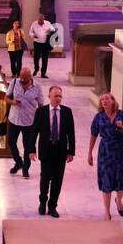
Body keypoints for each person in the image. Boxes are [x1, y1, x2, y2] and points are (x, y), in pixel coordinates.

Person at [87, 92, 123, 219]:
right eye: (102, 99)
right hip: (105, 151)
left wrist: (122, 126)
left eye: (107, 99)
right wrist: (89, 153)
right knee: (106, 182)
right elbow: (93, 134)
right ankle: (107, 212)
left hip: (121, 150)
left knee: (122, 180)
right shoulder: (98, 117)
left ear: (113, 101)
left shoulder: (122, 114)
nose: (104, 101)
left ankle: (119, 201)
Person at [30, 85, 74, 217]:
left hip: (60, 152)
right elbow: (34, 132)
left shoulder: (67, 112)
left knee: (58, 181)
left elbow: (71, 133)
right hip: (46, 150)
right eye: (56, 96)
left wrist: (71, 151)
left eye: (60, 96)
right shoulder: (41, 112)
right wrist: (31, 150)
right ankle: (42, 203)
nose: (58, 98)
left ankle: (52, 206)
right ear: (49, 96)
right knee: (45, 180)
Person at [4, 67, 41, 177]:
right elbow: (6, 98)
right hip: (14, 119)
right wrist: (14, 102)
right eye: (21, 78)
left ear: (30, 77)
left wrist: (40, 121)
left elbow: (41, 104)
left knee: (28, 146)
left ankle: (26, 168)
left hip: (29, 122)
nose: (22, 80)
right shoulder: (15, 82)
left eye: (25, 79)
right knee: (11, 142)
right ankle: (18, 162)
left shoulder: (37, 86)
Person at [29, 13, 53, 77]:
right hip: (37, 43)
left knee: (45, 59)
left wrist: (50, 30)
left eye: (42, 20)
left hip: (45, 44)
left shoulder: (47, 23)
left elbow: (53, 29)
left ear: (43, 19)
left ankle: (43, 73)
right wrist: (34, 35)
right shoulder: (34, 23)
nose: (40, 21)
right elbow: (30, 32)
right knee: (36, 58)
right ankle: (36, 69)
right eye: (39, 20)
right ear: (38, 19)